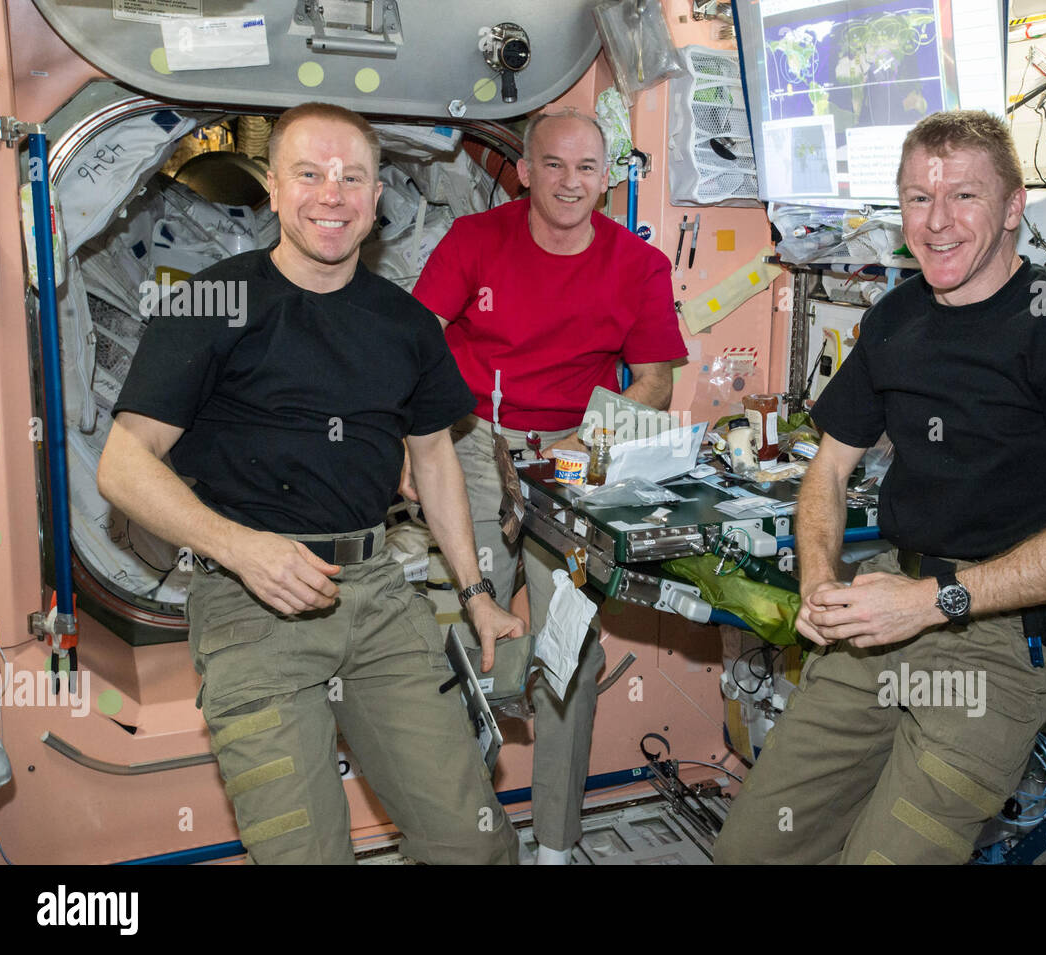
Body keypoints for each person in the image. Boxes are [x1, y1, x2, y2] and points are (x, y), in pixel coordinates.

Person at [715, 110, 1046, 865]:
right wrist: (820, 578)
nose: (937, 220)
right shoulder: (896, 317)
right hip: (889, 605)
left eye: (963, 195)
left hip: (994, 641)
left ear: (1014, 206)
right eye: (918, 198)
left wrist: (935, 601)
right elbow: (828, 468)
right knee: (752, 852)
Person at [98, 102, 524, 865]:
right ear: (271, 188)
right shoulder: (210, 300)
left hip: (377, 594)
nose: (332, 193)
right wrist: (243, 550)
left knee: (473, 839)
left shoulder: (407, 324)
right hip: (249, 600)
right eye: (309, 173)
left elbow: (434, 460)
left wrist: (476, 594)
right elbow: (124, 463)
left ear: (376, 199)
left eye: (351, 176)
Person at [412, 107, 686, 863]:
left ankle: (557, 843)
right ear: (526, 171)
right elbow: (415, 342)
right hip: (473, 439)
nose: (571, 182)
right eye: (554, 166)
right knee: (463, 637)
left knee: (571, 650)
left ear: (608, 177)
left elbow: (656, 383)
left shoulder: (638, 265)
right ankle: (454, 836)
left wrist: (588, 437)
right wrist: (415, 444)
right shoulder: (475, 241)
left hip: (575, 456)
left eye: (588, 167)